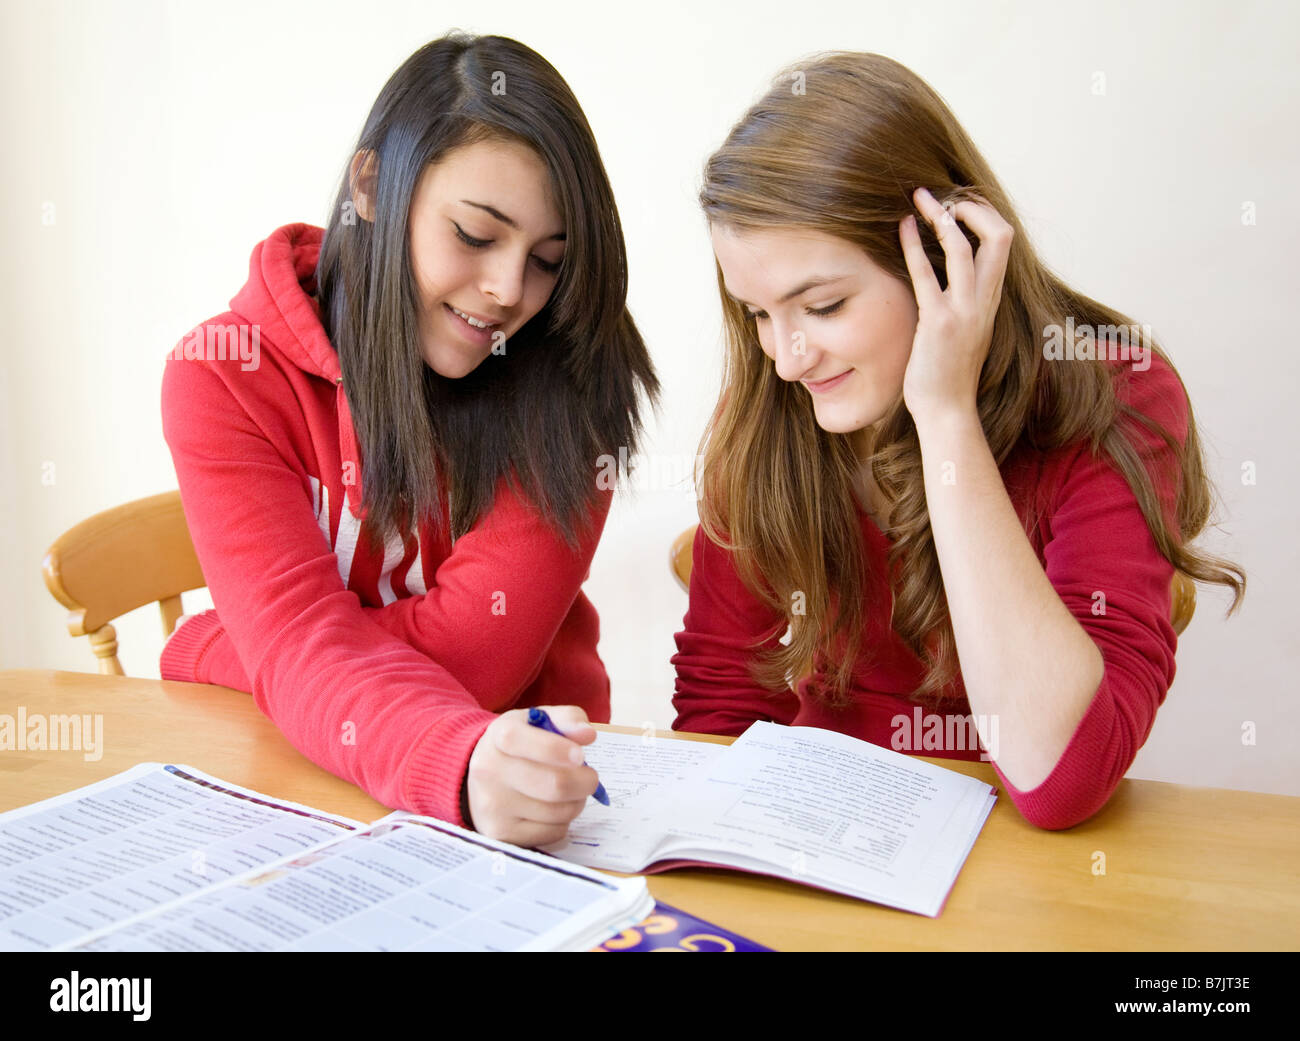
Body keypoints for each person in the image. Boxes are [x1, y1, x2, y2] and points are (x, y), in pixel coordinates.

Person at [671, 51, 1244, 830]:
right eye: (757, 313)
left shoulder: (1118, 397)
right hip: (831, 844)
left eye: (824, 305)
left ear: (948, 256)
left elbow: (1057, 780)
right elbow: (721, 712)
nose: (786, 355)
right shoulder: (775, 404)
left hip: (1026, 864)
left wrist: (945, 416)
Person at [161, 32, 658, 848]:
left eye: (546, 260)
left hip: (528, 819)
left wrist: (241, 645)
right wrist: (288, 655)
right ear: (372, 185)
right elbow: (299, 650)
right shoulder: (223, 377)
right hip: (297, 785)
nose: (508, 292)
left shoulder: (572, 380)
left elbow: (476, 661)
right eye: (474, 234)